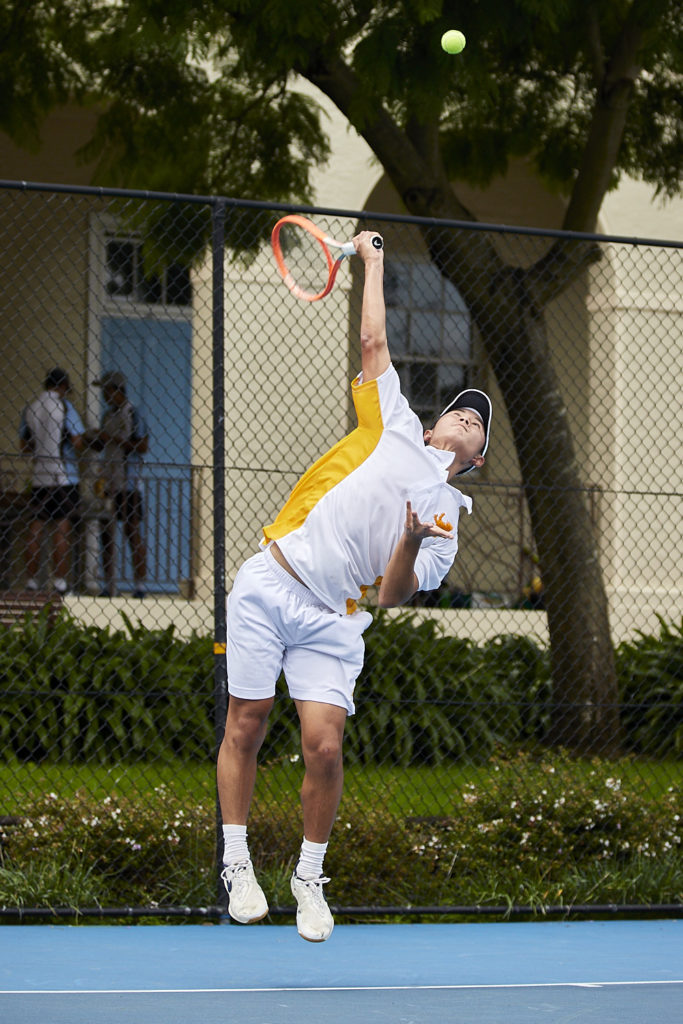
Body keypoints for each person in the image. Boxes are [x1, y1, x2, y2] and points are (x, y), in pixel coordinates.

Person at [217, 231, 492, 942]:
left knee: (325, 747)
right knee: (246, 722)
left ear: (477, 459)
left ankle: (309, 878)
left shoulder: (446, 518)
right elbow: (374, 341)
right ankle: (236, 862)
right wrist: (371, 262)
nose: (466, 414)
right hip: (269, 581)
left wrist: (407, 541)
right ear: (433, 423)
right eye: (459, 408)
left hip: (334, 619)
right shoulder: (391, 422)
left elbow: (390, 598)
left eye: (477, 421)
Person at [19, 367, 85, 595]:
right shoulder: (66, 407)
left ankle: (32, 582)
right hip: (63, 476)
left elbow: (24, 445)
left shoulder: (31, 408)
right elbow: (77, 442)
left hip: (39, 476)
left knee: (35, 528)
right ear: (64, 386)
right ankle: (60, 583)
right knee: (61, 529)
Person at [90, 371, 149, 598]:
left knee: (132, 531)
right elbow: (102, 445)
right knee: (106, 533)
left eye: (107, 391)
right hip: (110, 482)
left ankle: (140, 586)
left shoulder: (133, 413)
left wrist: (112, 439)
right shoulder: (108, 416)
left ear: (117, 390)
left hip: (129, 483)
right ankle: (109, 585)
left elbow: (142, 445)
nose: (105, 396)